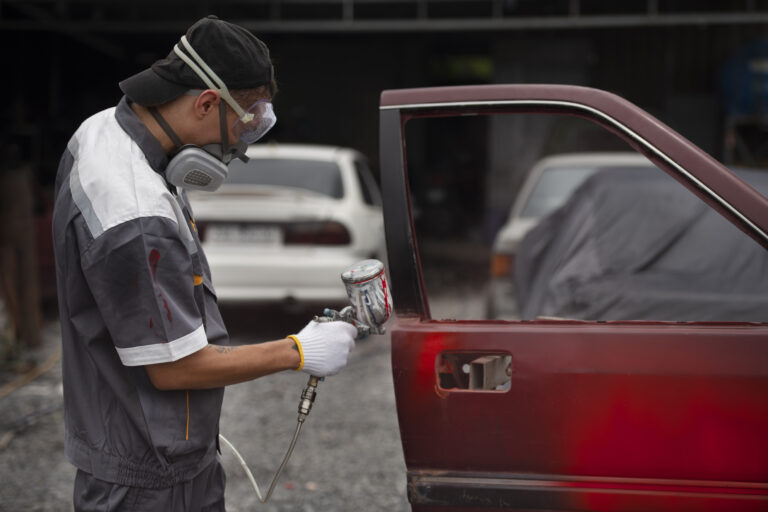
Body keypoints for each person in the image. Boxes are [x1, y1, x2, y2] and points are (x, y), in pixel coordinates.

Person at [52, 15, 357, 511]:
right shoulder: (135, 213)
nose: (238, 147)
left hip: (140, 446)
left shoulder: (104, 131)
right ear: (206, 102)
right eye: (243, 123)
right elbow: (176, 368)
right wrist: (298, 350)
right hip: (148, 478)